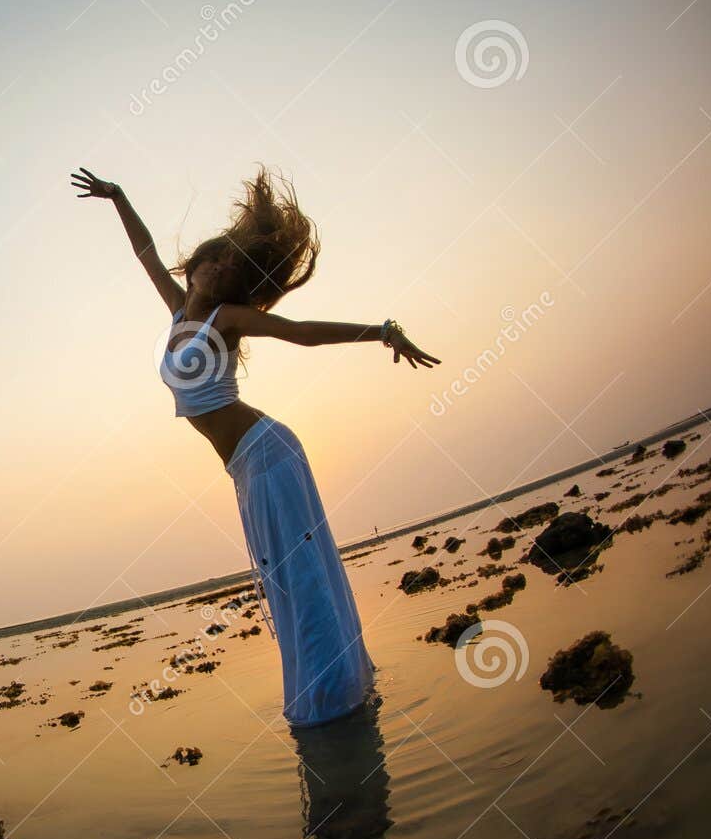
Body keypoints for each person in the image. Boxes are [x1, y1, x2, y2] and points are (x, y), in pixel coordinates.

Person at [72, 166, 439, 725]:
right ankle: (332, 695)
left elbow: (301, 331)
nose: (219, 266)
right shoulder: (177, 312)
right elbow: (146, 251)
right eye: (212, 257)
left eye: (228, 263)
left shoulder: (228, 318)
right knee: (283, 578)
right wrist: (119, 197)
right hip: (247, 468)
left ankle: (333, 703)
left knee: (299, 575)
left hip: (268, 454)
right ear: (194, 267)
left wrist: (381, 331)